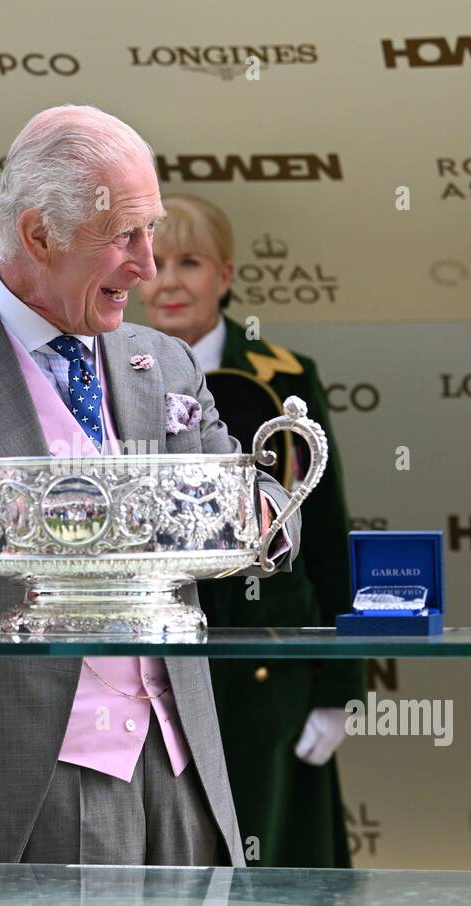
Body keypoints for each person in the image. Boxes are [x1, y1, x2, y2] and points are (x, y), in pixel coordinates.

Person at [0, 105, 301, 866]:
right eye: (126, 237)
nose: (148, 266)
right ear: (38, 233)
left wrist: (268, 515)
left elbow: (258, 516)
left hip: (184, 770)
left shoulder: (169, 364)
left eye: (151, 233)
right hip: (19, 786)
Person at [137, 194, 362, 868]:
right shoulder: (100, 372)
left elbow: (325, 533)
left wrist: (339, 687)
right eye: (154, 261)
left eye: (191, 262)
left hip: (271, 669)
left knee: (276, 877)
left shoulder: (288, 378)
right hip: (151, 667)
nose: (169, 280)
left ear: (226, 275)